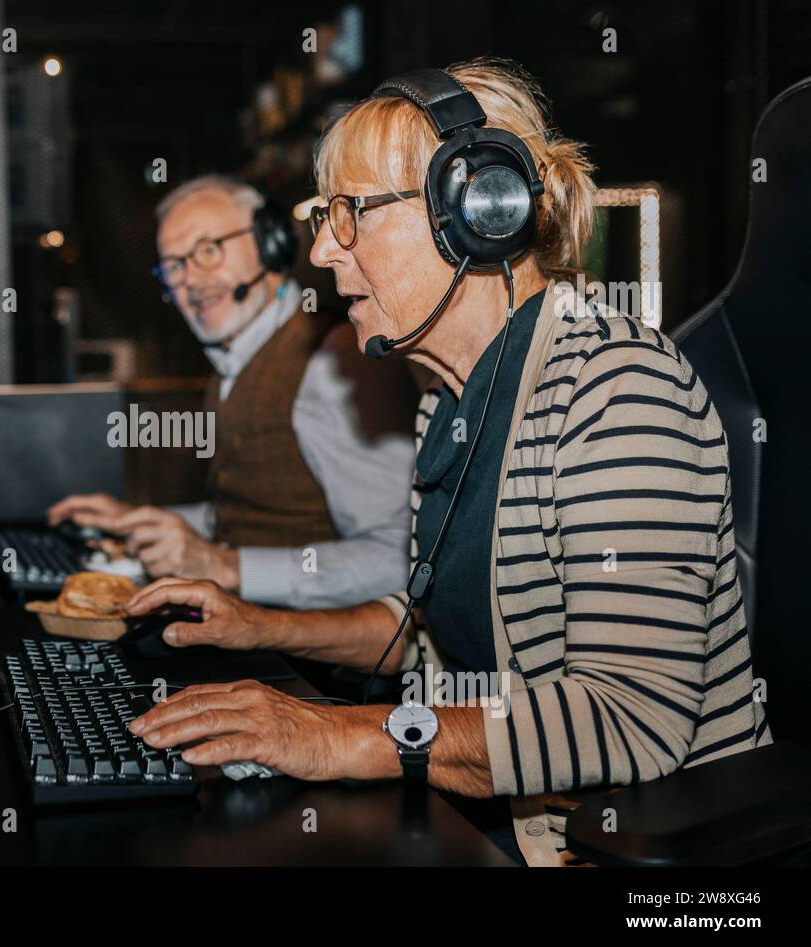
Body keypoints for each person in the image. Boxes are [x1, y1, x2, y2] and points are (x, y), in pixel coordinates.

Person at [121, 59, 770, 866]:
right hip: (487, 817)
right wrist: (262, 624)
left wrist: (342, 736)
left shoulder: (617, 391)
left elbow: (627, 717)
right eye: (325, 217)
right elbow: (432, 624)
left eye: (351, 214)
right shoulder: (452, 396)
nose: (323, 250)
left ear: (476, 213)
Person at [48, 175, 419, 609]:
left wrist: (224, 567)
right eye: (173, 265)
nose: (190, 280)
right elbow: (248, 514)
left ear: (271, 243)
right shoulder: (236, 358)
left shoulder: (332, 361)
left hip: (317, 668)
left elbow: (398, 554)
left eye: (208, 251)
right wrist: (142, 523)